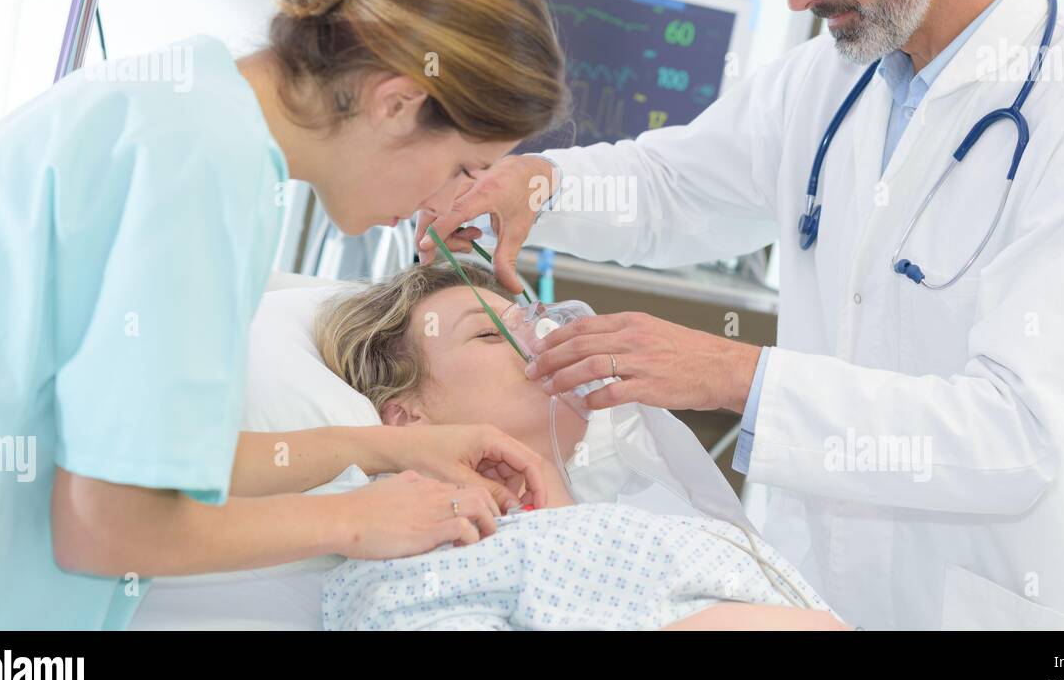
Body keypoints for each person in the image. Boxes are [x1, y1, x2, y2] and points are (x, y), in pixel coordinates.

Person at [419, 0, 1064, 629]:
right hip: (805, 589)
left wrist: (736, 373)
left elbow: (1012, 432)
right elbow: (677, 185)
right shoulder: (834, 78)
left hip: (981, 604)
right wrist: (542, 184)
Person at [0, 0, 567, 629]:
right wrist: (358, 519)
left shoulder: (189, 107)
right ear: (397, 102)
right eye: (465, 167)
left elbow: (155, 459)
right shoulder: (204, 168)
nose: (455, 204)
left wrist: (386, 448)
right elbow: (108, 526)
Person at [314, 262, 846, 631]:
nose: (542, 336)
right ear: (407, 420)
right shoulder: (416, 552)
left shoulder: (646, 528)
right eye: (489, 334)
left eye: (529, 320)